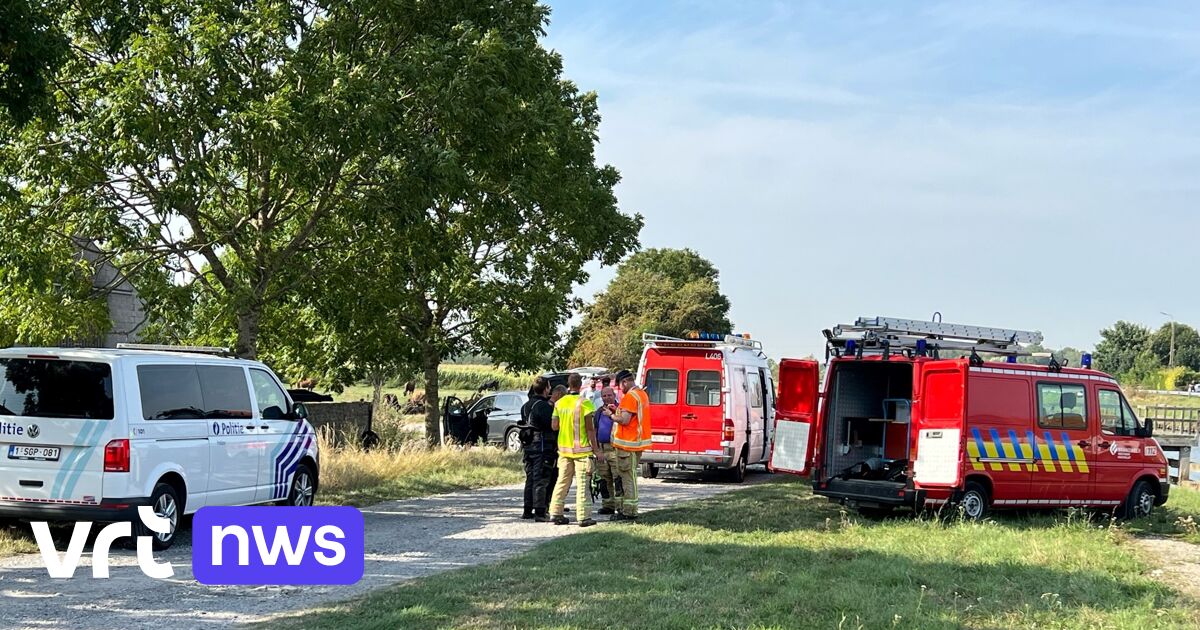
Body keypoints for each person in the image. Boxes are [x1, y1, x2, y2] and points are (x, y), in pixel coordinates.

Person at [549, 374, 602, 527]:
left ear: (568, 384)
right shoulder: (584, 403)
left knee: (562, 482)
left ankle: (555, 513)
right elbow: (591, 429)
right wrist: (596, 449)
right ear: (580, 385)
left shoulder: (559, 403)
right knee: (583, 484)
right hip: (582, 451)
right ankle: (583, 517)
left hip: (564, 451)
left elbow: (554, 426)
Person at [611, 369, 652, 521]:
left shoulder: (629, 397)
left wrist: (612, 416)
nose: (620, 390)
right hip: (636, 443)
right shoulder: (642, 394)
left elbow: (625, 420)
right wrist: (617, 411)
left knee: (627, 478)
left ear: (625, 382)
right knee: (631, 477)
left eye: (620, 386)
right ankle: (630, 509)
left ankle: (629, 511)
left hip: (627, 445)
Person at [520, 377, 555, 521]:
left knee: (530, 478)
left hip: (528, 446)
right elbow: (551, 426)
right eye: (549, 387)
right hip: (542, 445)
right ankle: (540, 512)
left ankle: (527, 510)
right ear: (546, 388)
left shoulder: (526, 405)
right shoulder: (544, 406)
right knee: (541, 478)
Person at [593, 386, 621, 515]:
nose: (607, 398)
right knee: (604, 479)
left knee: (618, 479)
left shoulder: (620, 410)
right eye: (604, 396)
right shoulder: (598, 412)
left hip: (615, 449)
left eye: (609, 395)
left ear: (614, 395)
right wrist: (596, 449)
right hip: (602, 449)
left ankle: (621, 506)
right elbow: (594, 430)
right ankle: (608, 505)